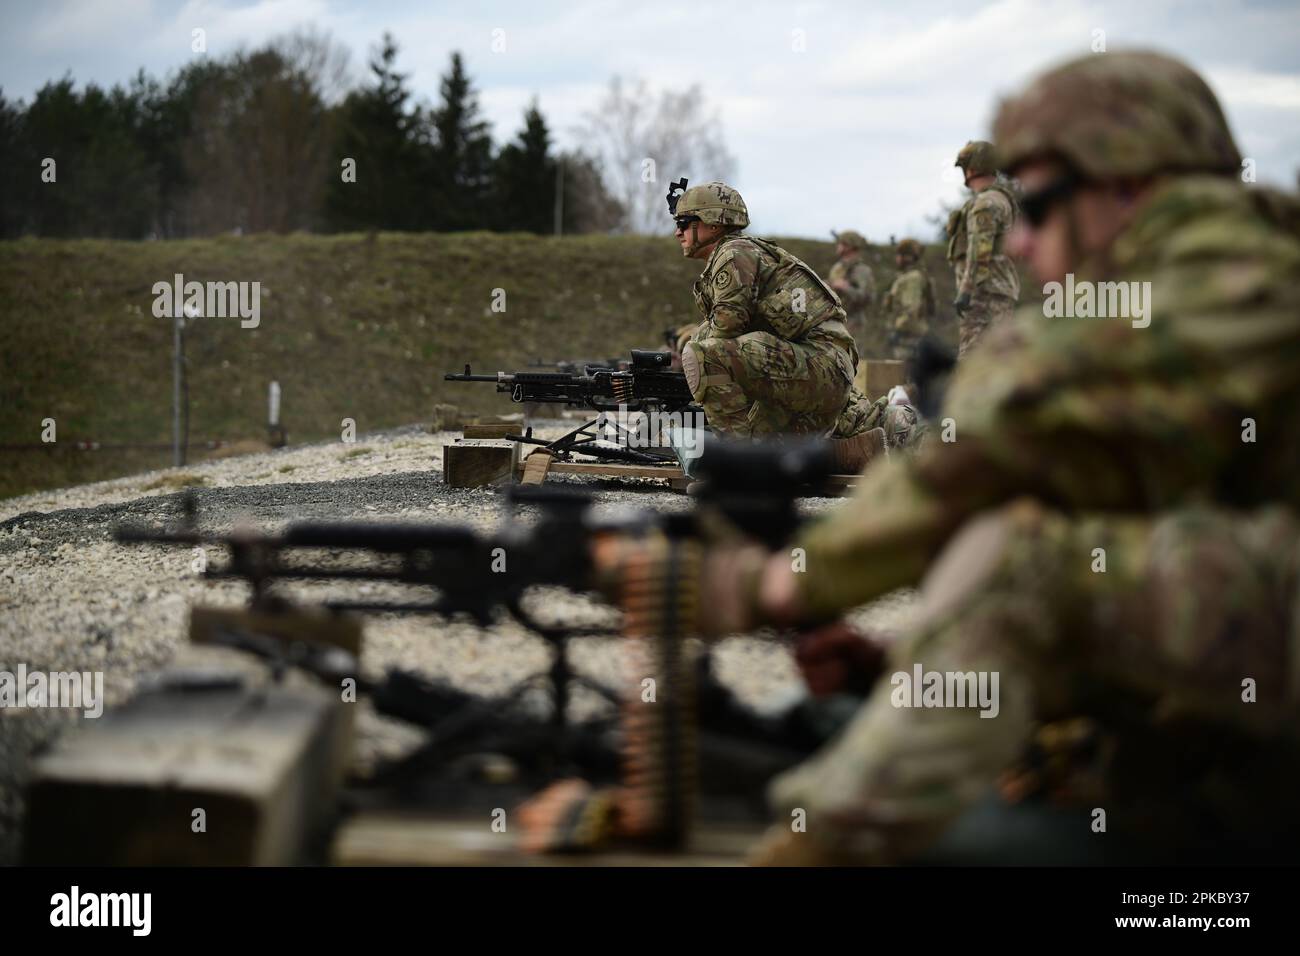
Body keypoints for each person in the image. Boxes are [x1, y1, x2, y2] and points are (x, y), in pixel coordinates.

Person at [683, 50, 1300, 864]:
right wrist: (905, 662)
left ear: (1130, 185)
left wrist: (760, 585)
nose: (1029, 243)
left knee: (1025, 561)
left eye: (1038, 206)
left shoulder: (1230, 274)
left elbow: (996, 452)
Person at [668, 179, 912, 470]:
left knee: (702, 357)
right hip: (823, 369)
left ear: (713, 223)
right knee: (854, 426)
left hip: (820, 368)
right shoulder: (744, 253)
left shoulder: (733, 254)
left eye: (684, 222)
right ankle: (864, 443)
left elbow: (723, 334)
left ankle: (747, 468)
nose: (677, 232)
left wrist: (690, 361)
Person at [946, 140, 1020, 357]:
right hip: (997, 291)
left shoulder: (985, 204)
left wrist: (966, 291)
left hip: (983, 293)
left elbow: (979, 250)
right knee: (999, 357)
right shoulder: (1001, 200)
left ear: (972, 169)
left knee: (972, 358)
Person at [827, 229, 877, 386]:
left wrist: (846, 288)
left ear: (850, 246)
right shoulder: (838, 268)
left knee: (852, 366)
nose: (839, 246)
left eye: (842, 243)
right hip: (834, 322)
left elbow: (868, 297)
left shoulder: (862, 271)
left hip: (853, 323)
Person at [880, 238, 936, 360]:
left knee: (904, 373)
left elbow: (911, 309)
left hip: (909, 337)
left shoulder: (912, 279)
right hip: (908, 335)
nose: (897, 258)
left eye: (899, 254)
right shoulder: (910, 276)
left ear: (907, 257)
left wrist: (898, 331)